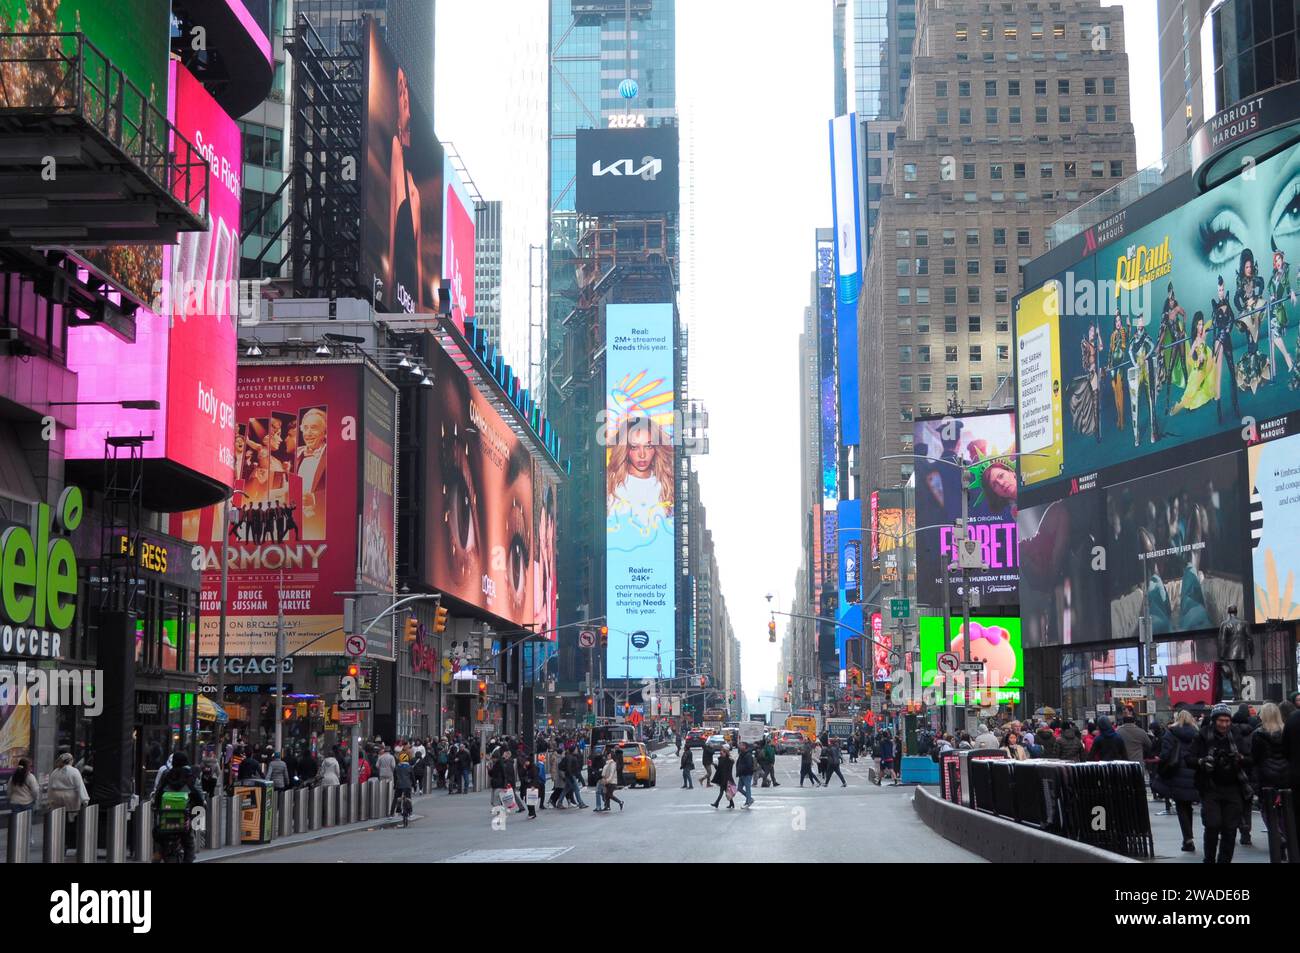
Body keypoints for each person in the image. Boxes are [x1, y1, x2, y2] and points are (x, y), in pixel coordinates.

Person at [1193, 704, 1249, 863]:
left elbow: (1249, 758)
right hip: (1211, 786)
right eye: (1221, 721)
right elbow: (1189, 758)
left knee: (1230, 830)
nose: (1224, 725)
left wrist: (1239, 758)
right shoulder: (1203, 735)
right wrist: (1202, 761)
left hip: (1233, 787)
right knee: (1212, 826)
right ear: (1214, 720)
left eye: (1227, 721)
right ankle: (1209, 859)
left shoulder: (1236, 735)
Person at [1153, 709, 1201, 853]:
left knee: (1181, 807)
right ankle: (1189, 837)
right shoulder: (1196, 734)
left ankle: (1188, 839)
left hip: (1177, 773)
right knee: (1188, 806)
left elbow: (1165, 754)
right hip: (1192, 773)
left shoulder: (1171, 732)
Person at [153, 752, 205, 863]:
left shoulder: (167, 775)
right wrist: (196, 813)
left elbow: (158, 795)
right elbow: (198, 798)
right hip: (183, 818)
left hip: (166, 817)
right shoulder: (190, 776)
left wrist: (157, 808)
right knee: (189, 844)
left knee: (161, 840)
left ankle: (157, 856)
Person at [599, 746, 624, 812]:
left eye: (609, 755)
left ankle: (620, 802)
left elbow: (612, 774)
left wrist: (607, 780)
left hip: (612, 782)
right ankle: (607, 806)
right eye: (608, 755)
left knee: (609, 795)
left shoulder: (613, 764)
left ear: (612, 756)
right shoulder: (607, 763)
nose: (608, 756)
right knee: (606, 794)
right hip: (607, 781)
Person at [711, 745, 736, 809]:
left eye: (722, 753)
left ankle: (716, 803)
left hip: (726, 778)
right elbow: (719, 769)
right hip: (722, 778)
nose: (721, 754)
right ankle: (732, 803)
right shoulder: (721, 759)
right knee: (726, 792)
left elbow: (727, 770)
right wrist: (715, 765)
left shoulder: (729, 760)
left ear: (725, 753)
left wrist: (726, 780)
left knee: (722, 792)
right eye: (720, 753)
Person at [392, 751, 415, 816]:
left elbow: (395, 777)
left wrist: (395, 785)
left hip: (399, 785)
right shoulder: (409, 767)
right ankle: (410, 811)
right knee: (408, 797)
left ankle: (396, 809)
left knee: (397, 797)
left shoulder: (397, 767)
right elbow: (412, 777)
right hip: (407, 785)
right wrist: (414, 785)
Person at [735, 741, 756, 808]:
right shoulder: (742, 753)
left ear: (744, 746)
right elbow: (739, 763)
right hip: (741, 774)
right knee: (739, 788)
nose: (739, 746)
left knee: (747, 788)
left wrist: (743, 769)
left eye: (741, 745)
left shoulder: (748, 755)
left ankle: (748, 802)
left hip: (747, 774)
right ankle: (750, 799)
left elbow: (749, 765)